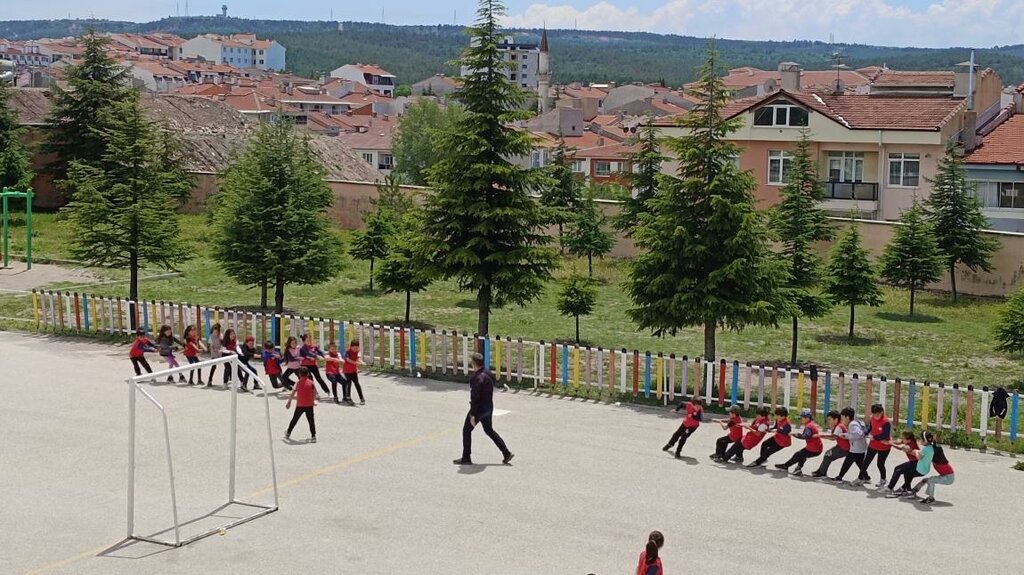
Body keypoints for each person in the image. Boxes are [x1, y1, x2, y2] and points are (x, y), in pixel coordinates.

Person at [453, 353, 513, 466]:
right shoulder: (488, 373)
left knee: (466, 430)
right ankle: (506, 452)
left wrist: (473, 415)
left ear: (473, 364)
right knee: (489, 430)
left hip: (479, 409)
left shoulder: (476, 378)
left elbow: (475, 397)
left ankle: (466, 457)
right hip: (488, 407)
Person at [908, 431, 954, 504]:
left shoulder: (932, 450)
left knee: (931, 480)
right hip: (946, 475)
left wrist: (915, 451)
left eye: (921, 439)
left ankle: (931, 499)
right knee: (925, 480)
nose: (919, 440)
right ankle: (914, 490)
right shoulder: (932, 448)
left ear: (925, 440)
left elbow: (921, 456)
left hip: (948, 477)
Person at [775, 408, 822, 476]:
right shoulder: (810, 424)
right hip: (816, 448)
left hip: (814, 449)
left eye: (803, 417)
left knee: (798, 454)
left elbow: (805, 436)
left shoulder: (808, 426)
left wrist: (795, 435)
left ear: (807, 418)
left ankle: (786, 466)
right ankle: (798, 469)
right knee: (802, 455)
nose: (801, 419)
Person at [831, 408, 868, 485]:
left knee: (847, 462)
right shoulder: (858, 421)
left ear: (847, 417)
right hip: (861, 447)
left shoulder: (852, 424)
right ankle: (866, 477)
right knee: (860, 463)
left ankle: (839, 477)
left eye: (843, 418)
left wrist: (846, 435)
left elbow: (857, 434)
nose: (842, 420)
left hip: (855, 448)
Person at [860, 403, 892, 487]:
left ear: (882, 412)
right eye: (874, 414)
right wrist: (865, 432)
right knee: (866, 462)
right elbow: (870, 428)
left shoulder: (886, 422)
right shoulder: (872, 418)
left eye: (877, 414)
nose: (875, 416)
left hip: (884, 447)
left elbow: (885, 435)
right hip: (873, 445)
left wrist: (875, 437)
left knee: (880, 464)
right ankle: (860, 478)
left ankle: (883, 479)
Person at [284, 367, 317, 443]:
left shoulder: (297, 383)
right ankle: (313, 436)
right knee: (311, 421)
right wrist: (313, 400)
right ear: (308, 374)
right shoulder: (311, 382)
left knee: (294, 419)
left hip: (300, 405)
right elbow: (315, 392)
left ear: (299, 374)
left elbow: (293, 393)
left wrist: (289, 402)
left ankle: (288, 433)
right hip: (309, 405)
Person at [884, 431, 921, 497]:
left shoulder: (910, 445)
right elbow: (899, 442)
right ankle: (894, 487)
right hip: (913, 462)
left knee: (898, 471)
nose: (902, 439)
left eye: (903, 438)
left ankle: (890, 488)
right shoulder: (909, 441)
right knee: (897, 468)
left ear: (908, 440)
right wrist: (890, 442)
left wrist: (891, 444)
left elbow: (900, 448)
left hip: (915, 463)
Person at [811, 411, 848, 478]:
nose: (829, 421)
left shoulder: (839, 426)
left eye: (830, 419)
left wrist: (820, 436)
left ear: (836, 419)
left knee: (828, 455)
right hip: (841, 447)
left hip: (844, 448)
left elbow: (833, 437)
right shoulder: (838, 426)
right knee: (828, 455)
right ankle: (821, 471)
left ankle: (822, 473)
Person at [343, 339, 366, 405]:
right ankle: (348, 398)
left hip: (353, 371)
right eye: (354, 348)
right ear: (351, 346)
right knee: (349, 384)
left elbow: (359, 358)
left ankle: (362, 398)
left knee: (357, 384)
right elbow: (348, 360)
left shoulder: (358, 351)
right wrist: (356, 363)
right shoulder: (347, 352)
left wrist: (362, 362)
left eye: (357, 348)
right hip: (347, 371)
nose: (355, 349)